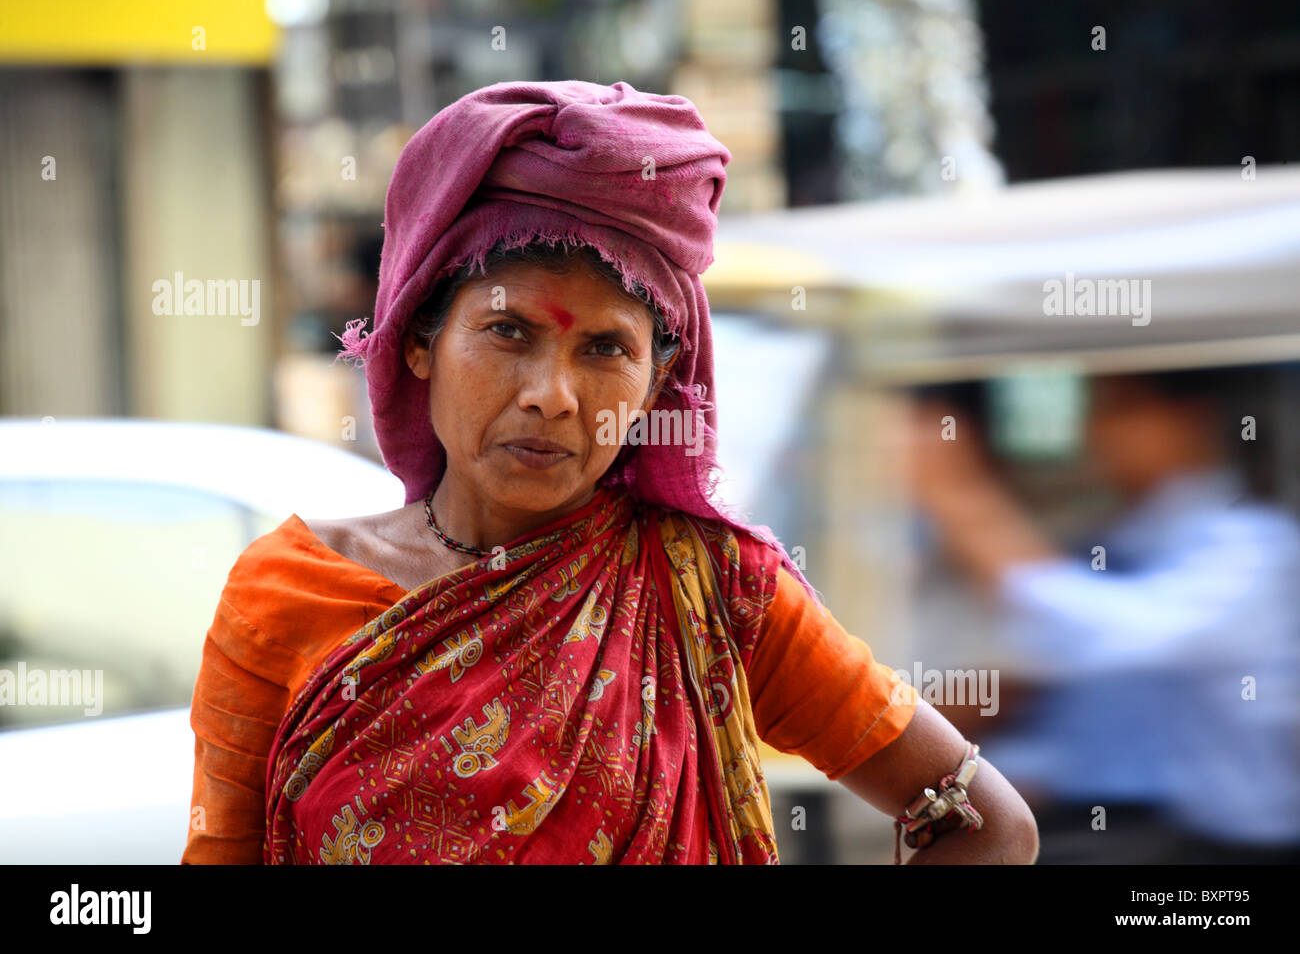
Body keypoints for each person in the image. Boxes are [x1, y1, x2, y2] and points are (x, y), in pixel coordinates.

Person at [183, 80, 1037, 865]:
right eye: (508, 331)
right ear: (416, 340)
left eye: (605, 349)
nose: (553, 396)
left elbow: (987, 823)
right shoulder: (285, 596)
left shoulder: (710, 592)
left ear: (657, 385)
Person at [909, 371, 1300, 863]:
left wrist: (961, 498)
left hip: (1216, 849)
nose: (1097, 430)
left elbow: (1100, 637)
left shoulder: (1251, 547)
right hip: (1103, 827)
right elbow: (1043, 687)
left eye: (1122, 409)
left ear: (1189, 419)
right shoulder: (1110, 543)